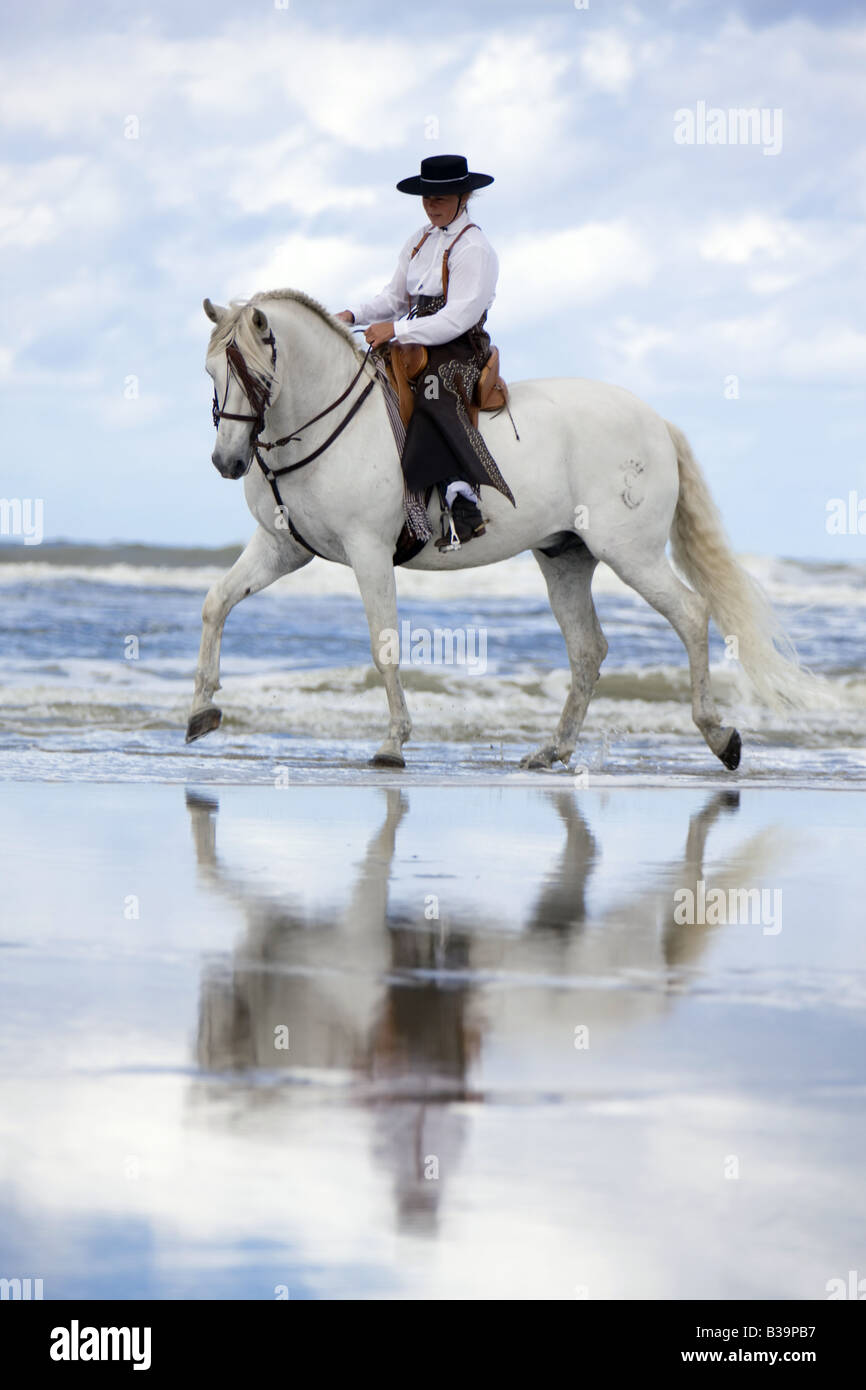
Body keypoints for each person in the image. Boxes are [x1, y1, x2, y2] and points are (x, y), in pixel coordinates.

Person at [337, 154, 514, 546]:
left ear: (464, 196)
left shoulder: (475, 248)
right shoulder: (419, 241)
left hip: (459, 346)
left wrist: (396, 330)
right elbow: (394, 298)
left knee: (432, 391)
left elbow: (458, 318)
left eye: (441, 197)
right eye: (426, 197)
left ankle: (462, 499)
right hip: (413, 337)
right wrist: (352, 315)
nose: (431, 204)